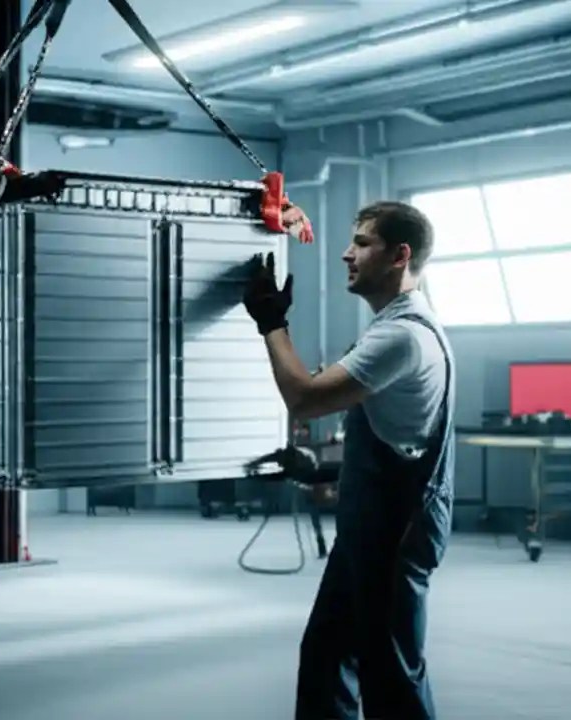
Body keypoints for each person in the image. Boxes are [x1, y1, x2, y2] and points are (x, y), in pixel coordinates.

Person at [243, 200, 455, 720]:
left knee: (390, 678)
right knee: (326, 659)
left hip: (394, 535)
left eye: (362, 243)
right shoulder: (400, 324)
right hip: (371, 527)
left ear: (399, 255)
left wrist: (272, 323)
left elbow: (307, 399)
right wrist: (322, 472)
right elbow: (397, 438)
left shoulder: (401, 336)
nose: (346, 253)